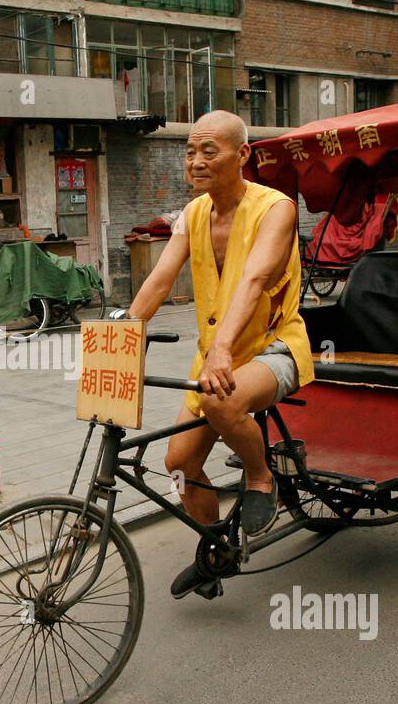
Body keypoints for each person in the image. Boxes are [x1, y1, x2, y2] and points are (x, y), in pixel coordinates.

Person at [126, 110, 314, 600]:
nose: (197, 161)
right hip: (217, 357)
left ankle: (259, 475)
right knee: (179, 459)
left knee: (221, 402)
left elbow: (253, 281)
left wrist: (223, 352)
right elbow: (162, 278)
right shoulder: (193, 215)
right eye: (190, 152)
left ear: (243, 155)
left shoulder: (276, 209)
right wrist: (122, 332)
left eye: (209, 150)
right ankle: (215, 550)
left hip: (275, 348)